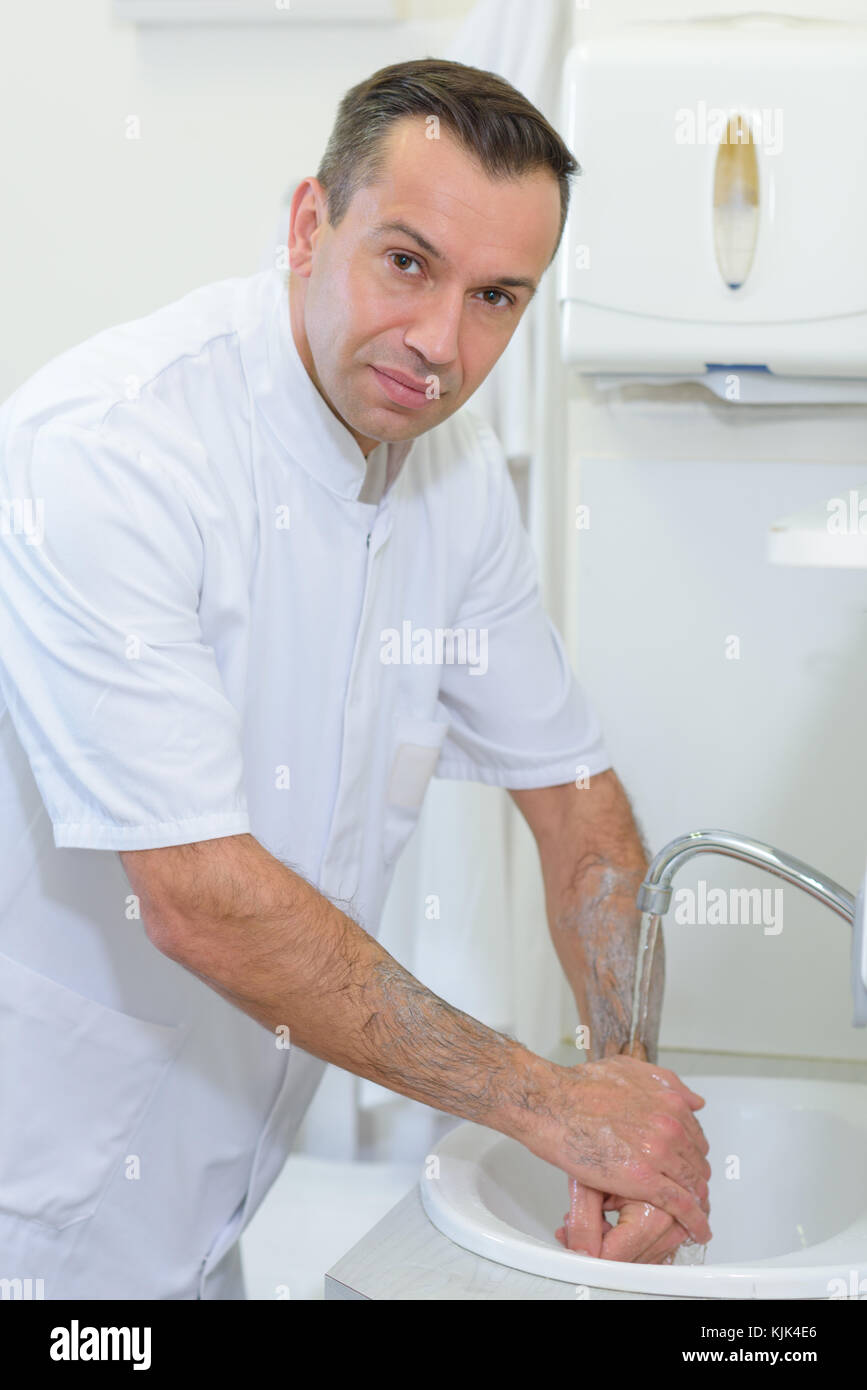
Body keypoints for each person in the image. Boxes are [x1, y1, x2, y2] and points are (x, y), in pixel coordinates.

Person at [0, 58, 710, 1300]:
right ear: (306, 224)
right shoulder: (111, 452)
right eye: (406, 262)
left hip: (204, 1223)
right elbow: (199, 896)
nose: (441, 342)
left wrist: (627, 1091)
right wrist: (553, 1103)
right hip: (35, 1221)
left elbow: (574, 799)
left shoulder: (453, 472)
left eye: (496, 296)